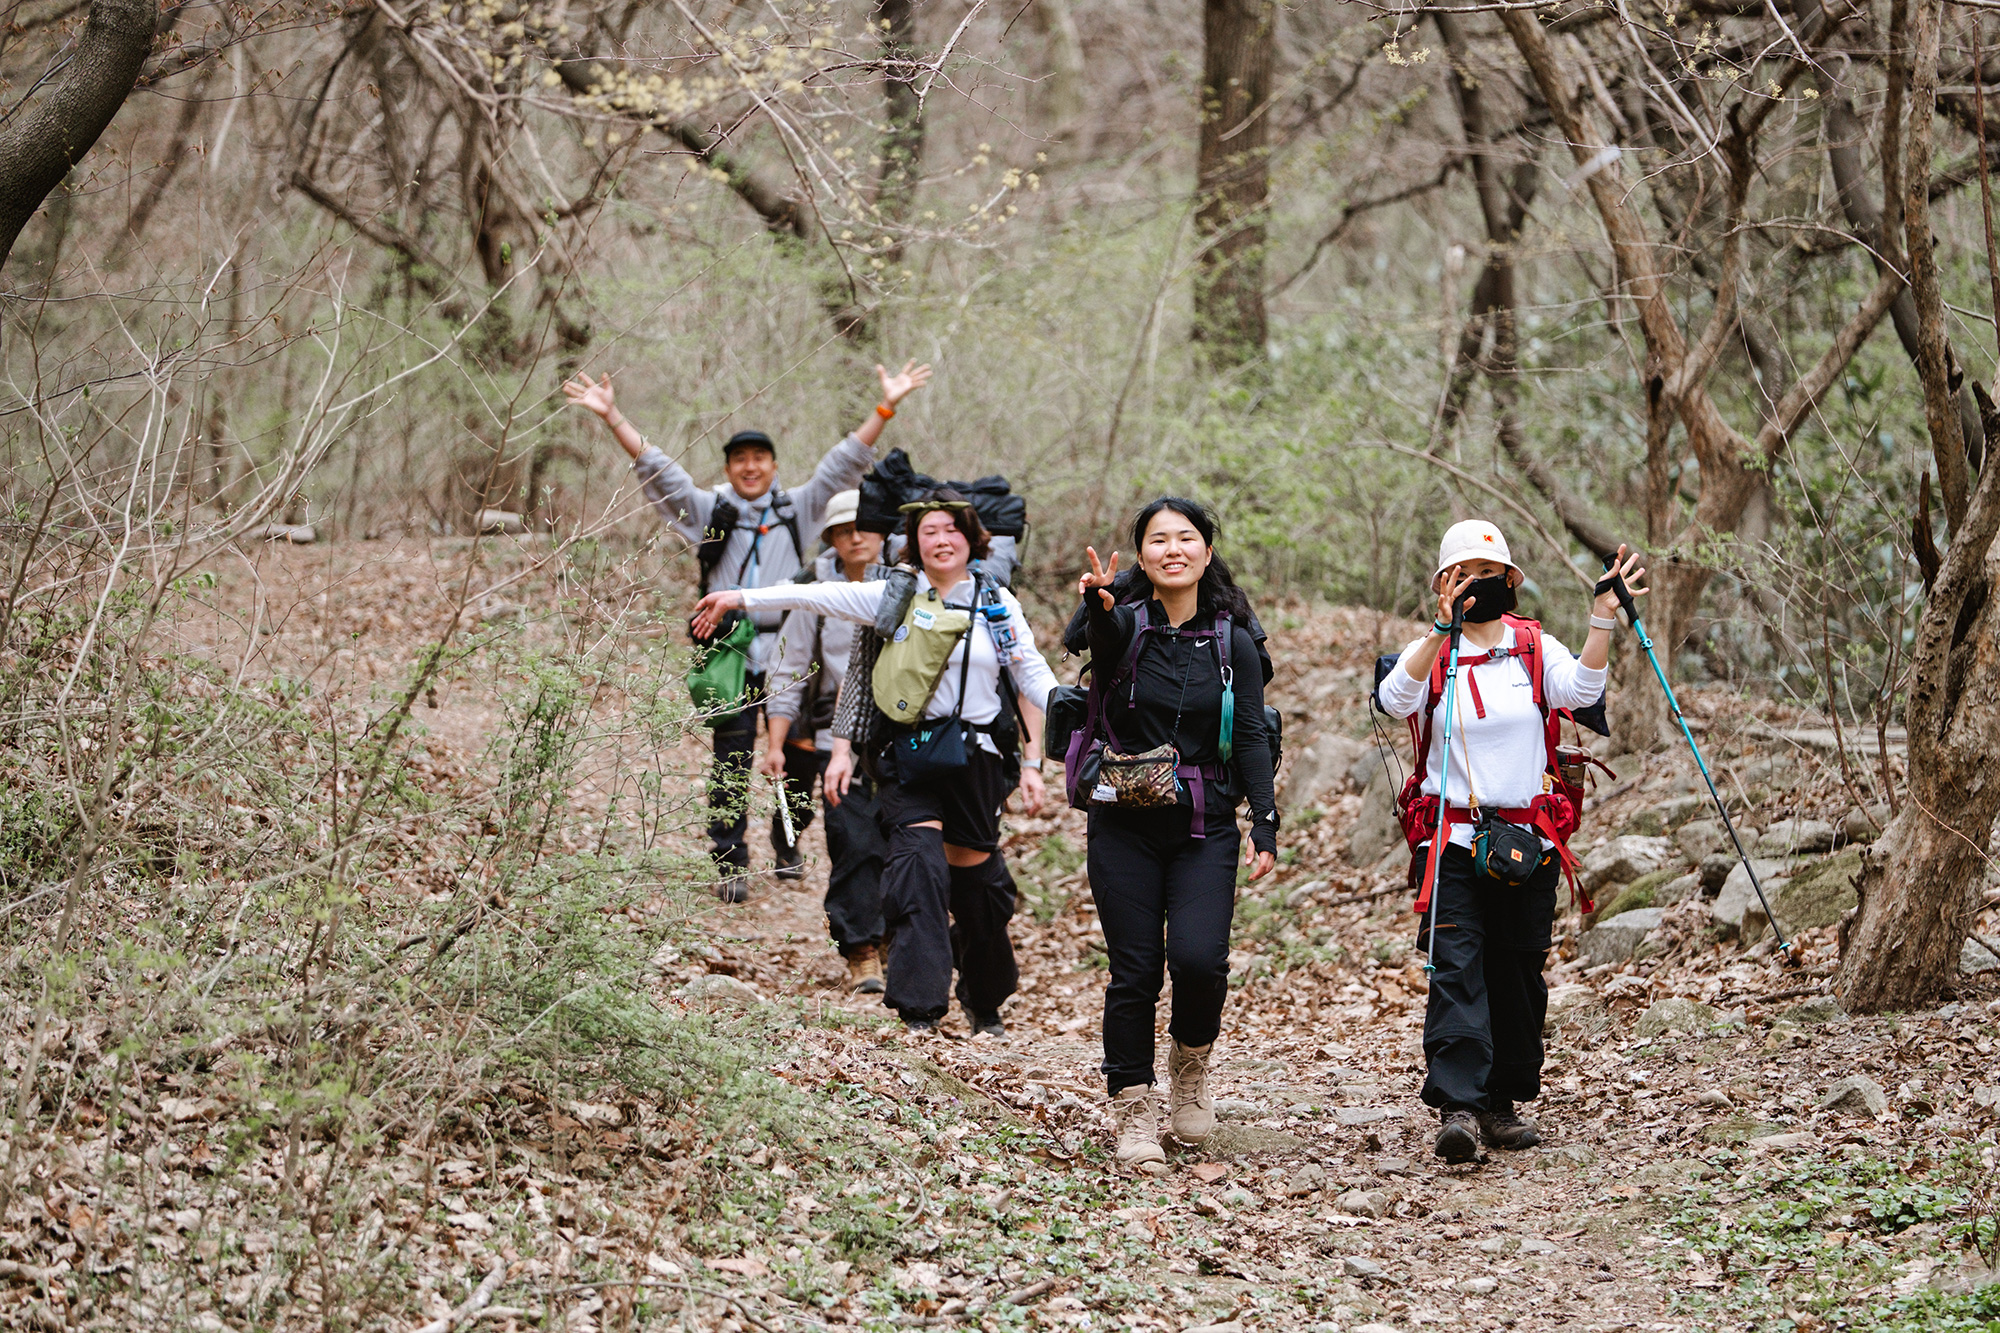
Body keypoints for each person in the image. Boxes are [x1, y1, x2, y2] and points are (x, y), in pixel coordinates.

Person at [691, 490, 1059, 1035]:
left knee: (980, 895)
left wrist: (1057, 736)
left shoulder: (995, 601)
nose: (941, 540)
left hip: (976, 760)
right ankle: (919, 1011)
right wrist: (739, 597)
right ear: (914, 543)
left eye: (952, 530)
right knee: (917, 871)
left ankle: (985, 1002)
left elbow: (1030, 673)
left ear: (971, 539)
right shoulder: (893, 595)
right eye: (929, 531)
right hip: (907, 758)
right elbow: (820, 595)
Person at [562, 361, 932, 899]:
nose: (750, 466)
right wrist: (613, 416)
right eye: (740, 459)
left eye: (759, 457)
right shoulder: (709, 511)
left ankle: (788, 839)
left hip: (791, 647)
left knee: (801, 757)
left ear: (774, 466)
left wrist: (886, 406)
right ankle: (731, 860)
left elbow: (843, 463)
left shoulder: (798, 509)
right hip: (728, 650)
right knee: (731, 757)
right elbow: (662, 474)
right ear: (729, 468)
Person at [1375, 520, 1646, 1164]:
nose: (1481, 583)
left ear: (1510, 581)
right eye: (1467, 574)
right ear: (1444, 584)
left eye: (1492, 574)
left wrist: (1602, 618)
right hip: (1451, 840)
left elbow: (1582, 692)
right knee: (1455, 967)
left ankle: (1502, 1101)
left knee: (1518, 970)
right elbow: (1393, 700)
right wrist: (1440, 632)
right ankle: (1459, 1107)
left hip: (1528, 840)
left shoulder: (1533, 647)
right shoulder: (1429, 652)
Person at [1067, 499, 1279, 1174]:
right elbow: (1099, 644)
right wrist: (1099, 606)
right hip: (1123, 824)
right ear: (1142, 556)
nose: (1173, 549)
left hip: (1204, 824)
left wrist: (1264, 821)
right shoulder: (1124, 624)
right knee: (1134, 970)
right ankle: (1133, 1106)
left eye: (1186, 538)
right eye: (1158, 540)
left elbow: (1252, 732)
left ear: (1207, 553)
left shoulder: (1233, 641)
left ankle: (1190, 1062)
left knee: (1198, 961)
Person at [762, 490, 890, 995]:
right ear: (832, 539)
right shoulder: (815, 595)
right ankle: (861, 949)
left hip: (904, 739)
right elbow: (788, 669)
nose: (855, 538)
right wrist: (775, 744)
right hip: (835, 738)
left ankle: (893, 938)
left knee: (901, 843)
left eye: (864, 527)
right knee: (853, 840)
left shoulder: (913, 587)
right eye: (843, 530)